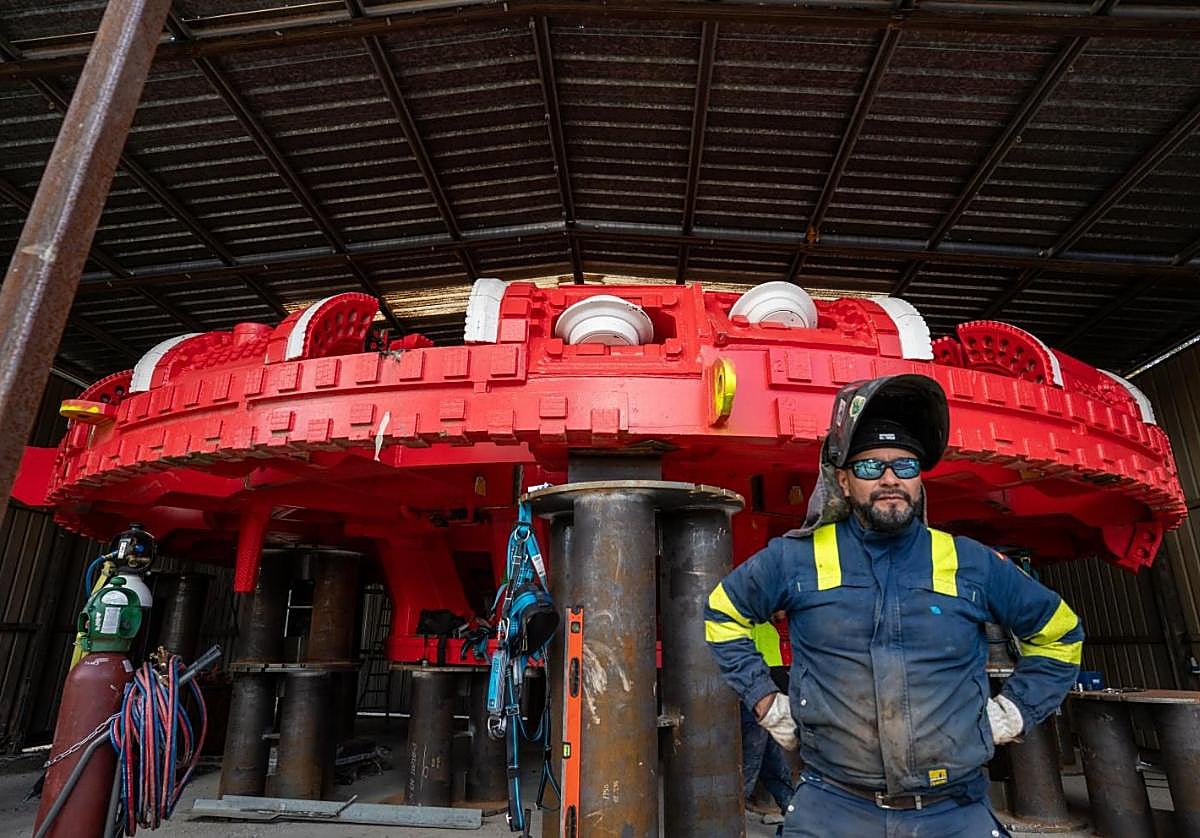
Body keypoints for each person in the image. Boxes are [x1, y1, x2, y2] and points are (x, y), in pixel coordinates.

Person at [705, 374, 1083, 837]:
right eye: (869, 468)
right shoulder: (794, 558)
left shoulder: (971, 562)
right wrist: (766, 702)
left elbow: (1061, 633)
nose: (889, 479)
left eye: (904, 466)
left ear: (919, 478)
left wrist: (1014, 712)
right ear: (842, 481)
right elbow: (722, 613)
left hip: (954, 811)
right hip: (832, 806)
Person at [741, 619, 794, 825]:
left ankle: (789, 807)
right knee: (761, 759)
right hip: (761, 704)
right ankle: (789, 808)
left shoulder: (759, 629)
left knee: (762, 760)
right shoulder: (765, 629)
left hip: (759, 703)